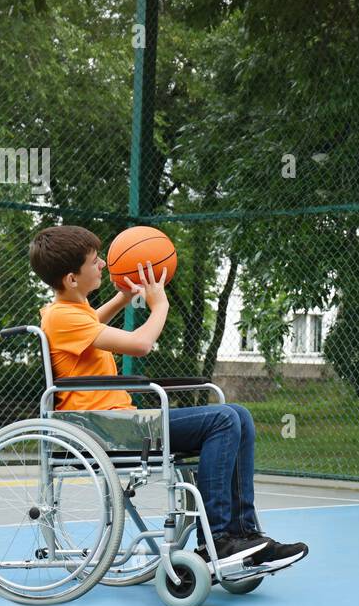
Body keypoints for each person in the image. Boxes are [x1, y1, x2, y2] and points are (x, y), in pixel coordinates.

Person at [27, 225, 308, 571]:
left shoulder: (70, 312)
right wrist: (158, 304)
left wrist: (125, 297)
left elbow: (93, 323)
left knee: (239, 414)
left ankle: (245, 534)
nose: (102, 265)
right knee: (223, 419)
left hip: (114, 425)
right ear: (72, 279)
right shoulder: (63, 317)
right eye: (94, 261)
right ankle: (217, 539)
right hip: (104, 431)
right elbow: (141, 344)